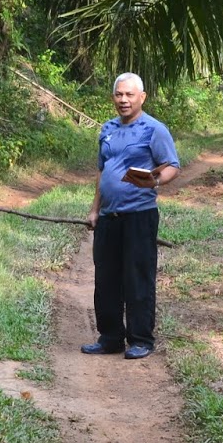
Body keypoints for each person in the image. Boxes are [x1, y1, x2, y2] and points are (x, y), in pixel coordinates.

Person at [82, 72, 180, 360]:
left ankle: (140, 339)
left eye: (129, 95)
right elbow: (102, 171)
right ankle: (110, 338)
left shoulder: (154, 129)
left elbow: (172, 166)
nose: (123, 100)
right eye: (119, 94)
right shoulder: (107, 129)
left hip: (139, 216)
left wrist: (156, 181)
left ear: (142, 97)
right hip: (109, 217)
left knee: (138, 277)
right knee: (106, 279)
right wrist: (95, 209)